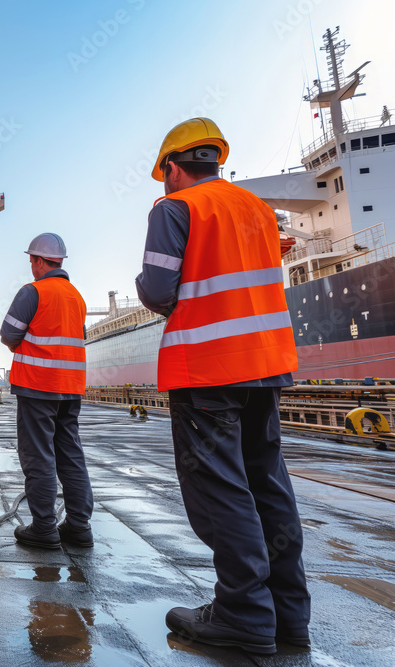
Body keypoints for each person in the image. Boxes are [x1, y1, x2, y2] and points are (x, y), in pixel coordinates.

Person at [137, 118, 310, 655]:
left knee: (222, 491)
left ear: (172, 166)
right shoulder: (257, 209)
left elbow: (158, 290)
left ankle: (242, 614)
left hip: (208, 368)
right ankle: (288, 617)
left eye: (162, 173)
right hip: (266, 364)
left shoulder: (175, 209)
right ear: (215, 158)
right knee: (268, 485)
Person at [0, 233, 93, 550]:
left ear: (40, 261)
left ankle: (44, 528)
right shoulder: (76, 297)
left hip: (38, 387)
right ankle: (79, 527)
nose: (31, 266)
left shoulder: (32, 292)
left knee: (38, 456)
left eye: (31, 261)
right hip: (70, 389)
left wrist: (21, 345)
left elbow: (8, 334)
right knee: (71, 454)